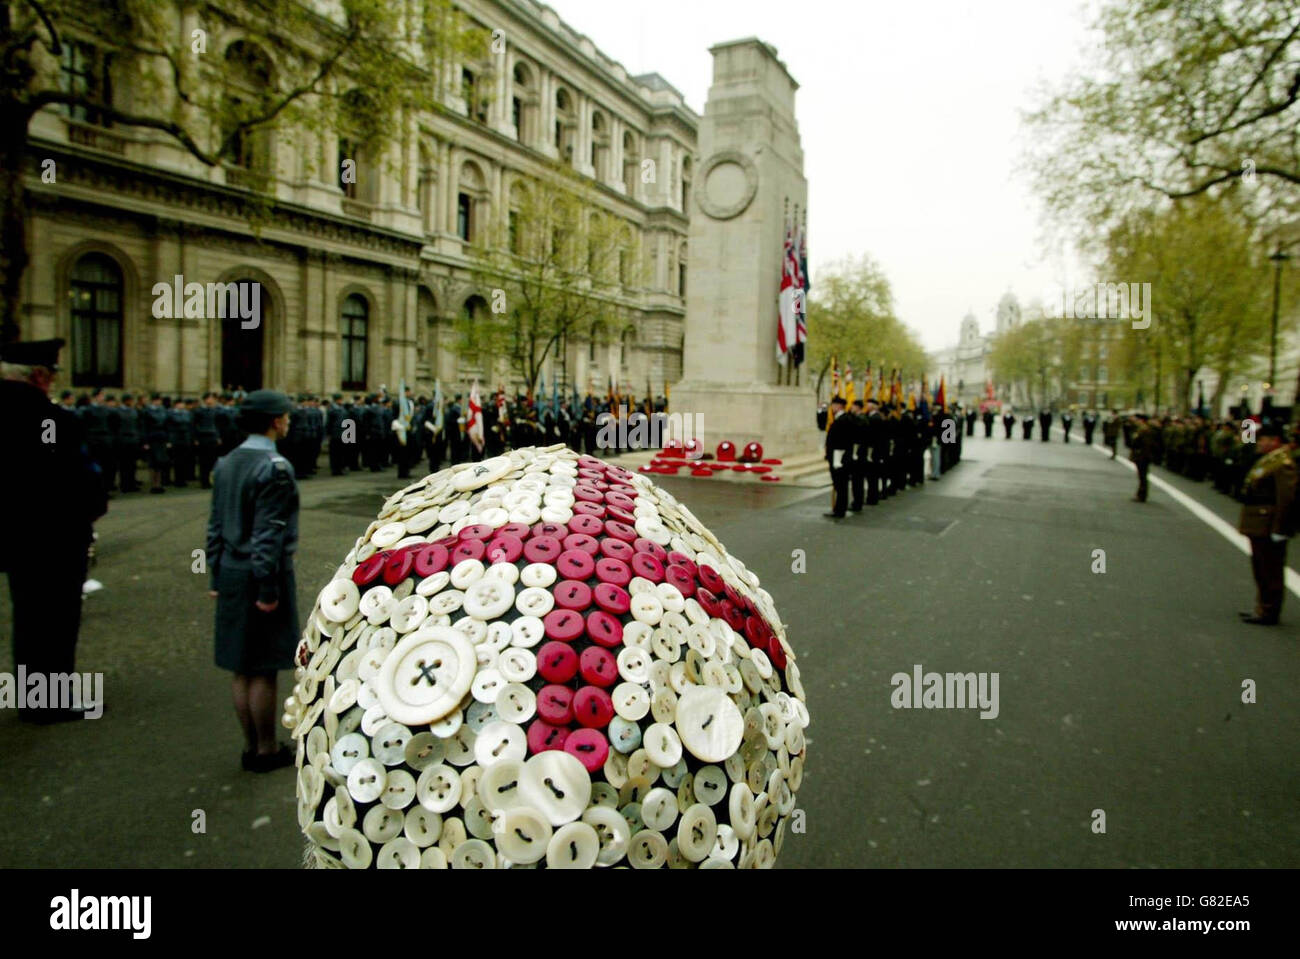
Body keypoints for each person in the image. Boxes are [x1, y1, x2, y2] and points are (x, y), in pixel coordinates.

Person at [0, 339, 107, 723]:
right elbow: (77, 476)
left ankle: (31, 697)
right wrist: (93, 508)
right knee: (57, 620)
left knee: (29, 616)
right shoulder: (49, 419)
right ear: (40, 376)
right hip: (55, 535)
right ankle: (51, 702)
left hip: (14, 534)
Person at [206, 389, 300, 771]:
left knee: (241, 667)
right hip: (260, 575)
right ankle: (265, 749)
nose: (289, 421)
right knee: (262, 667)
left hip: (229, 569)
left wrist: (215, 574)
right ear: (275, 421)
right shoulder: (275, 466)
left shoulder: (227, 462)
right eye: (286, 416)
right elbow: (268, 534)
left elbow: (214, 525)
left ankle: (251, 746)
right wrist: (267, 589)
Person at [1236, 421, 1297, 625]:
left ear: (1275, 441)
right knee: (1261, 567)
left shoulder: (1283, 464)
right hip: (1260, 523)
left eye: (1262, 439)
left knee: (1270, 569)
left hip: (1269, 523)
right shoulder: (1269, 460)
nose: (1259, 443)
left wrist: (1281, 528)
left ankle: (1270, 610)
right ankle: (1262, 606)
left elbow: (1286, 499)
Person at [824, 396, 852, 518]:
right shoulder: (842, 419)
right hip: (838, 456)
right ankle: (840, 508)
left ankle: (839, 510)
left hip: (838, 458)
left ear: (839, 406)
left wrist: (837, 459)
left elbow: (840, 442)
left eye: (834, 405)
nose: (832, 408)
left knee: (840, 484)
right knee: (841, 484)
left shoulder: (842, 420)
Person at [142, 393, 170, 493]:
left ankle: (159, 484)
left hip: (161, 438)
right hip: (152, 438)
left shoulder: (163, 410)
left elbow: (167, 426)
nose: (159, 402)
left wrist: (168, 440)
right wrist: (145, 442)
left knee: (160, 462)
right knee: (152, 462)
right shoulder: (147, 411)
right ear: (153, 400)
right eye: (157, 400)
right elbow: (144, 427)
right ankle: (153, 485)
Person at [116, 393, 142, 492]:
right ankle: (124, 484)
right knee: (123, 464)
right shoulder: (118, 411)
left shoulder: (134, 411)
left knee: (132, 464)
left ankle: (131, 483)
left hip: (133, 440)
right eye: (130, 400)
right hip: (123, 440)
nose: (132, 402)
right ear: (126, 401)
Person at [1129, 413, 1156, 502]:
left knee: (1142, 476)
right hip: (1141, 455)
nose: (1136, 421)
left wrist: (1143, 455)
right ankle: (1141, 493)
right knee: (1141, 475)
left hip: (1142, 455)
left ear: (1142, 420)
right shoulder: (1142, 429)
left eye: (1137, 419)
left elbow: (1146, 444)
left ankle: (1142, 494)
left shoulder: (1144, 430)